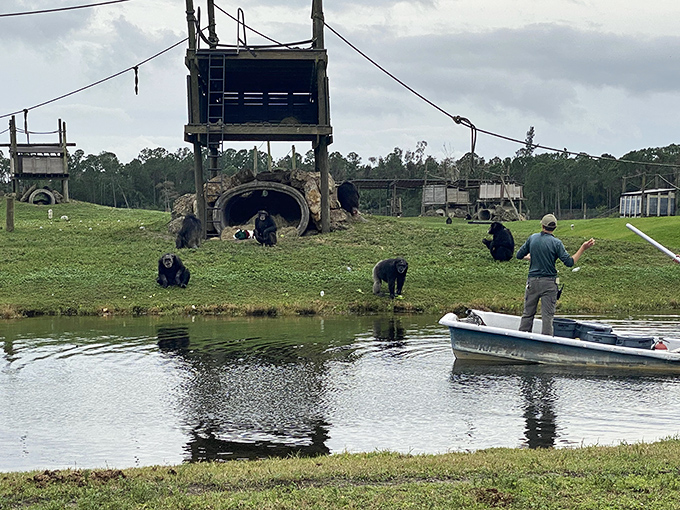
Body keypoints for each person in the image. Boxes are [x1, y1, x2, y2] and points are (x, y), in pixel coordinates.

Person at [516, 214, 595, 335]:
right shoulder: (557, 243)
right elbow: (569, 262)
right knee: (547, 317)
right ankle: (546, 347)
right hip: (549, 284)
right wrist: (583, 248)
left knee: (527, 314)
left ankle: (521, 341)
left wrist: (531, 258)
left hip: (532, 282)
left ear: (542, 226)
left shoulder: (532, 238)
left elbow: (519, 255)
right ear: (555, 227)